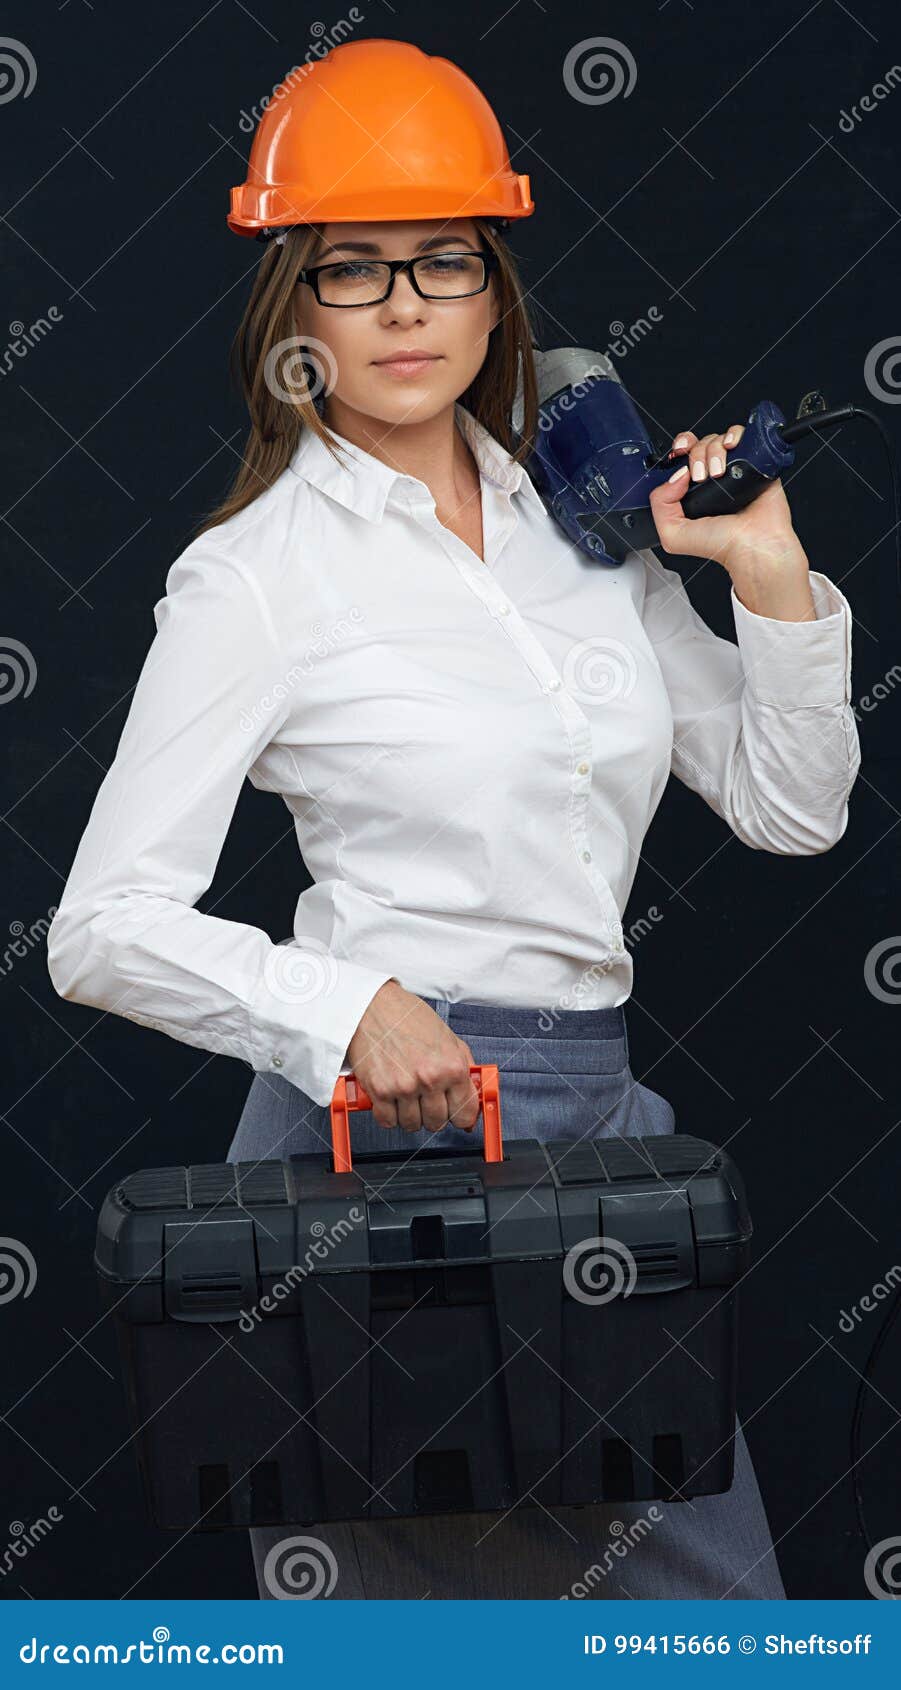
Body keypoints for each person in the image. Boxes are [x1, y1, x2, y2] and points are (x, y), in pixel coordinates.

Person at [46, 39, 860, 1600]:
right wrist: (344, 1005)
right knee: (413, 1640)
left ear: (495, 297)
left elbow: (789, 809)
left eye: (443, 260)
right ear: (295, 315)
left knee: (714, 1630)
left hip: (595, 1139)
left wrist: (763, 575)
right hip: (378, 1153)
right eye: (353, 269)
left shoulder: (589, 543)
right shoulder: (256, 578)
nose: (405, 304)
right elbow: (98, 929)